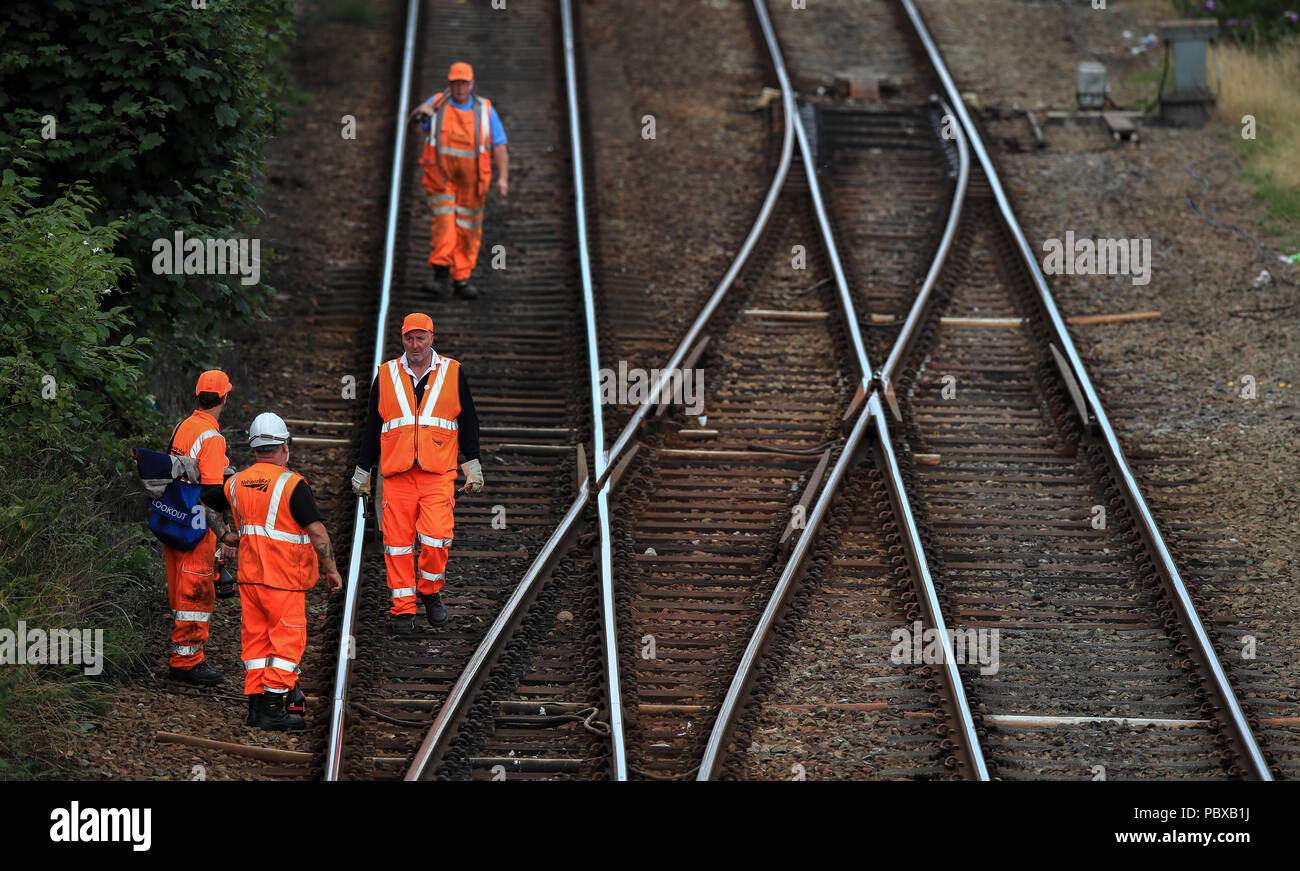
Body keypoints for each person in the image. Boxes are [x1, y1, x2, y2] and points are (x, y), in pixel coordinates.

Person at [202, 413, 343, 731]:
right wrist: (331, 569)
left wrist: (225, 535)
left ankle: (255, 708)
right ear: (284, 445)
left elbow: (205, 505)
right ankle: (272, 709)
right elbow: (317, 532)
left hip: (250, 579)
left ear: (255, 448)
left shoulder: (236, 482)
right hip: (284, 579)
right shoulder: (292, 485)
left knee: (256, 643)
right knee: (286, 642)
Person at [350, 313, 483, 636]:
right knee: (396, 545)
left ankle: (429, 590)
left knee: (437, 538)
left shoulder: (453, 372)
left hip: (438, 473)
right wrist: (363, 470)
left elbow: (467, 422)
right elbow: (372, 427)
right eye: (409, 338)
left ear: (431, 338)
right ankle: (403, 609)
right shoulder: (386, 375)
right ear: (403, 339)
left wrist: (473, 463)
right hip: (396, 475)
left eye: (420, 338)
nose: (415, 345)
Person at [163, 369, 238, 686]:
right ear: (225, 397)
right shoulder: (212, 437)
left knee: (180, 588)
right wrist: (224, 536)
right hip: (195, 526)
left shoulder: (185, 426)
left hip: (172, 517)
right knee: (196, 594)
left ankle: (184, 655)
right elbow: (210, 495)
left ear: (198, 395)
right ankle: (186, 662)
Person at [410, 61, 509, 300]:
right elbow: (413, 132)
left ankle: (461, 279)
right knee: (444, 224)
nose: (460, 88)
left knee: (469, 231)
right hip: (441, 179)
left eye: (464, 83)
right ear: (450, 83)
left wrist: (503, 178)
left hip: (473, 185)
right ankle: (440, 276)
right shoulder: (436, 105)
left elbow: (499, 146)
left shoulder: (485, 111)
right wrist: (418, 113)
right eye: (455, 83)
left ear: (472, 84)